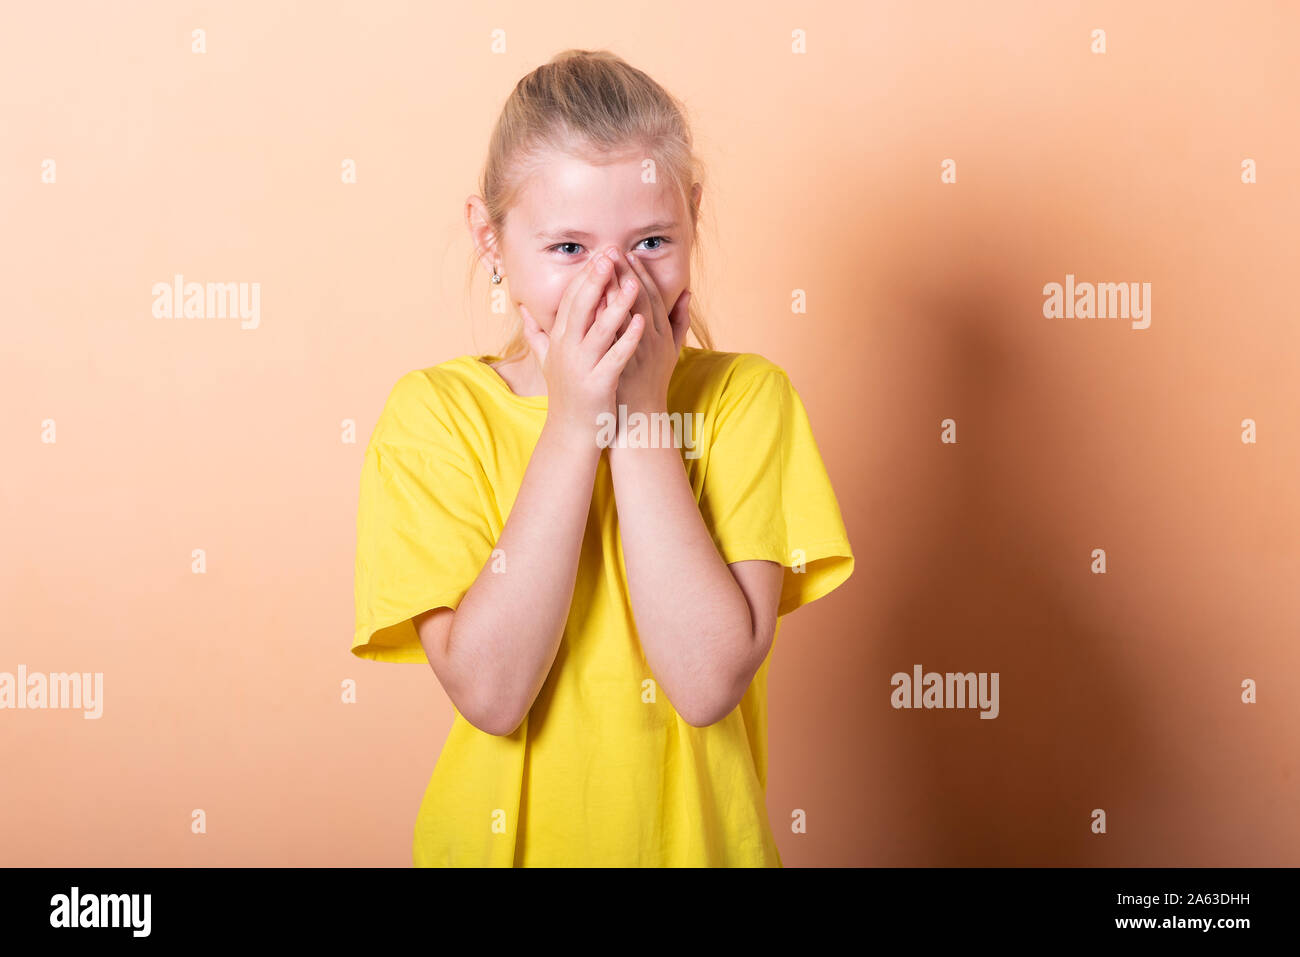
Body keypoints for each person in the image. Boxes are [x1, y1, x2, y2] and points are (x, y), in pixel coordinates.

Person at [351, 48, 854, 866]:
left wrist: (641, 419)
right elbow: (491, 692)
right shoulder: (433, 418)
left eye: (651, 239)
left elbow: (704, 681)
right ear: (492, 239)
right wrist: (574, 423)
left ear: (693, 215)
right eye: (569, 250)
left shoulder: (744, 402)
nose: (615, 285)